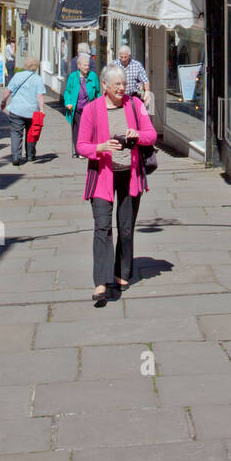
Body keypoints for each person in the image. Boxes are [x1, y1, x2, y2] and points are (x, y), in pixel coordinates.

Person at [77, 62, 157, 306]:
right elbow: (81, 146)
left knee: (125, 227)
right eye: (117, 85)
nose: (122, 88)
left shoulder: (135, 105)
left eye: (124, 84)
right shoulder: (92, 110)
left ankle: (122, 271)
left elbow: (151, 135)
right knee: (102, 227)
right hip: (102, 176)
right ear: (105, 86)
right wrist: (100, 147)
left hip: (129, 175)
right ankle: (101, 281)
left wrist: (137, 135)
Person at [1, 55, 45, 164]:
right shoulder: (38, 79)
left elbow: (8, 90)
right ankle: (30, 155)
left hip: (17, 109)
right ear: (36, 67)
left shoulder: (17, 76)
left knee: (16, 133)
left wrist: (3, 101)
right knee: (31, 133)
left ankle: (16, 156)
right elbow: (40, 96)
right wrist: (42, 109)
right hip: (32, 111)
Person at [63, 51, 101, 158]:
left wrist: (100, 104)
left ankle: (87, 149)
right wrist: (68, 103)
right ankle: (79, 150)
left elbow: (98, 92)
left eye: (88, 65)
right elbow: (67, 91)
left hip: (89, 108)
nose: (86, 67)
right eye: (84, 65)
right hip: (76, 107)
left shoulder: (93, 76)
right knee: (78, 129)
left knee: (89, 129)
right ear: (79, 66)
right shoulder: (73, 77)